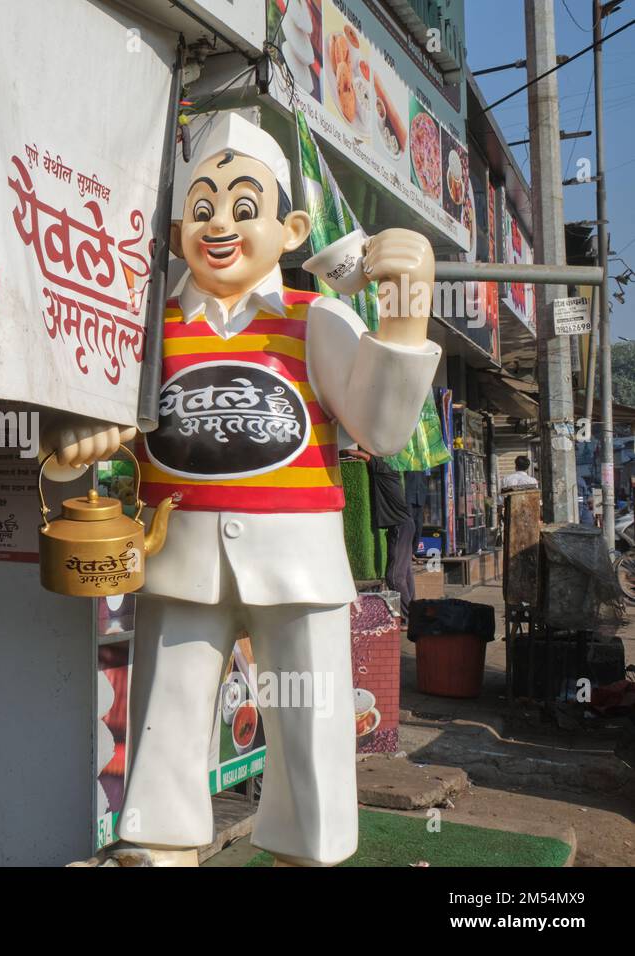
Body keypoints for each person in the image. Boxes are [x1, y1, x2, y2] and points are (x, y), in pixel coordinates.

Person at [41, 113, 439, 866]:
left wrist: (406, 312)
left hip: (298, 565)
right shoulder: (147, 331)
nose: (219, 224)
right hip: (180, 560)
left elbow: (382, 430)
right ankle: (158, 847)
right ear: (173, 231)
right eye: (201, 208)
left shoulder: (314, 317)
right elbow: (72, 450)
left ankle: (308, 851)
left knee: (310, 725)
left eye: (243, 208)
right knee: (169, 712)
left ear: (291, 229)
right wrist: (76, 440)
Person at [343, 448, 414, 620]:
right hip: (403, 525)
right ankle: (413, 612)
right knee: (404, 573)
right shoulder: (391, 470)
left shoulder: (384, 468)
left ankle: (408, 617)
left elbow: (366, 457)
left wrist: (348, 451)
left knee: (394, 576)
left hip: (400, 526)